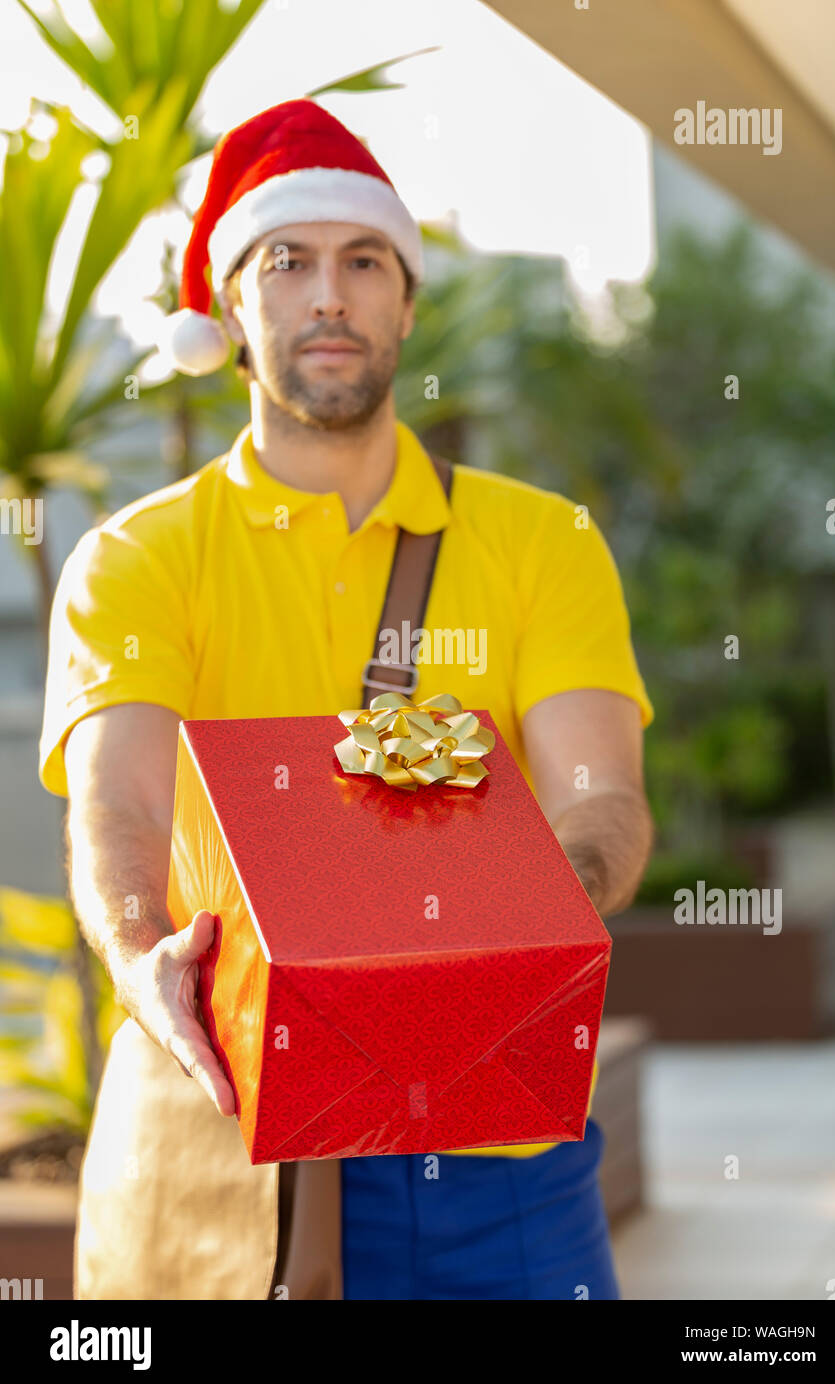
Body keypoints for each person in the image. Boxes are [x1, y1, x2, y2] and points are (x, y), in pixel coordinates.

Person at [38, 98, 654, 1300]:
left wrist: (518, 938)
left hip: (499, 1147)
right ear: (228, 306)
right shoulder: (135, 559)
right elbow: (121, 809)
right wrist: (135, 947)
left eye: (364, 260)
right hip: (234, 1140)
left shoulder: (542, 543)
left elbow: (603, 797)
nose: (331, 294)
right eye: (289, 261)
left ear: (405, 302)